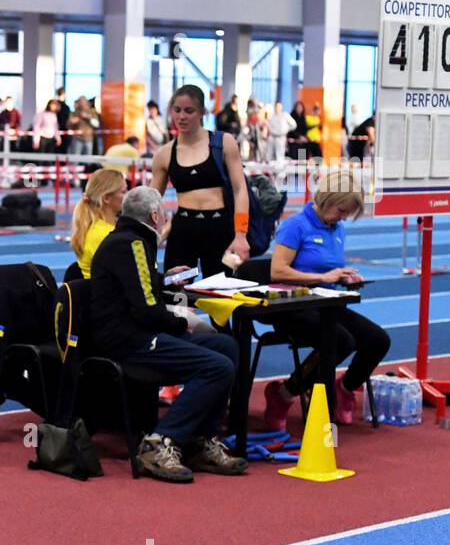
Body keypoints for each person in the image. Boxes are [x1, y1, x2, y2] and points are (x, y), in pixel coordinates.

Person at [87, 186, 248, 483]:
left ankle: (201, 439)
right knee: (218, 366)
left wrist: (166, 279)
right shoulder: (133, 244)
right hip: (129, 341)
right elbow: (146, 311)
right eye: (164, 212)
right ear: (155, 215)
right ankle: (159, 442)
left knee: (226, 346)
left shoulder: (131, 240)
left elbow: (138, 287)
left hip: (134, 333)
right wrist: (180, 323)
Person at [263, 170, 390, 429]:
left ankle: (345, 387)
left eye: (347, 214)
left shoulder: (337, 228)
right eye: (342, 211)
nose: (343, 218)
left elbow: (329, 269)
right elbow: (278, 271)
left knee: (378, 340)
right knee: (341, 341)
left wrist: (344, 277)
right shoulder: (296, 225)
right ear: (327, 199)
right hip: (294, 307)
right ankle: (284, 394)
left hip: (328, 303)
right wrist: (323, 277)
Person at [150, 84, 251, 278]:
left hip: (220, 229)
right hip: (183, 229)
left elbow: (240, 190)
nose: (182, 117)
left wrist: (240, 235)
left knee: (224, 295)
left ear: (202, 112)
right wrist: (149, 234)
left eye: (189, 111)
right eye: (177, 110)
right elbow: (151, 201)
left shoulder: (224, 143)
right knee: (175, 292)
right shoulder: (164, 154)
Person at [71, 167, 124, 278]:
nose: (128, 195)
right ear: (106, 198)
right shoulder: (106, 235)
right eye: (123, 191)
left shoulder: (94, 226)